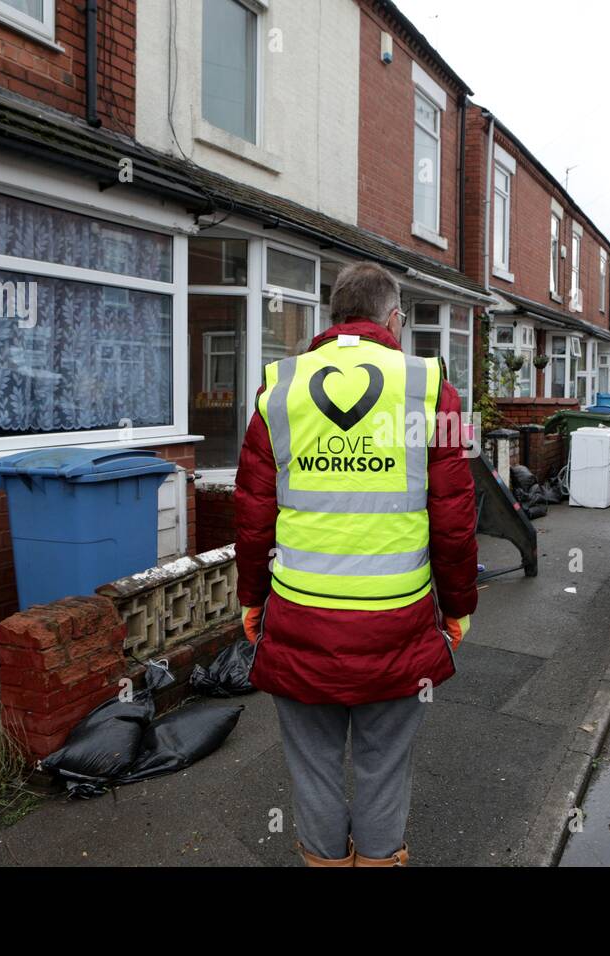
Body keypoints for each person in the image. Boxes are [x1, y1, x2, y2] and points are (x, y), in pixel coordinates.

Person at [233, 261, 478, 866]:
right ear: (393, 318)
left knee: (312, 767)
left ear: (332, 318)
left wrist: (251, 600)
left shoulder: (279, 388)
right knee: (383, 764)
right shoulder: (430, 387)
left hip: (299, 619)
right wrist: (459, 609)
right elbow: (454, 516)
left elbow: (252, 513)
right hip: (397, 622)